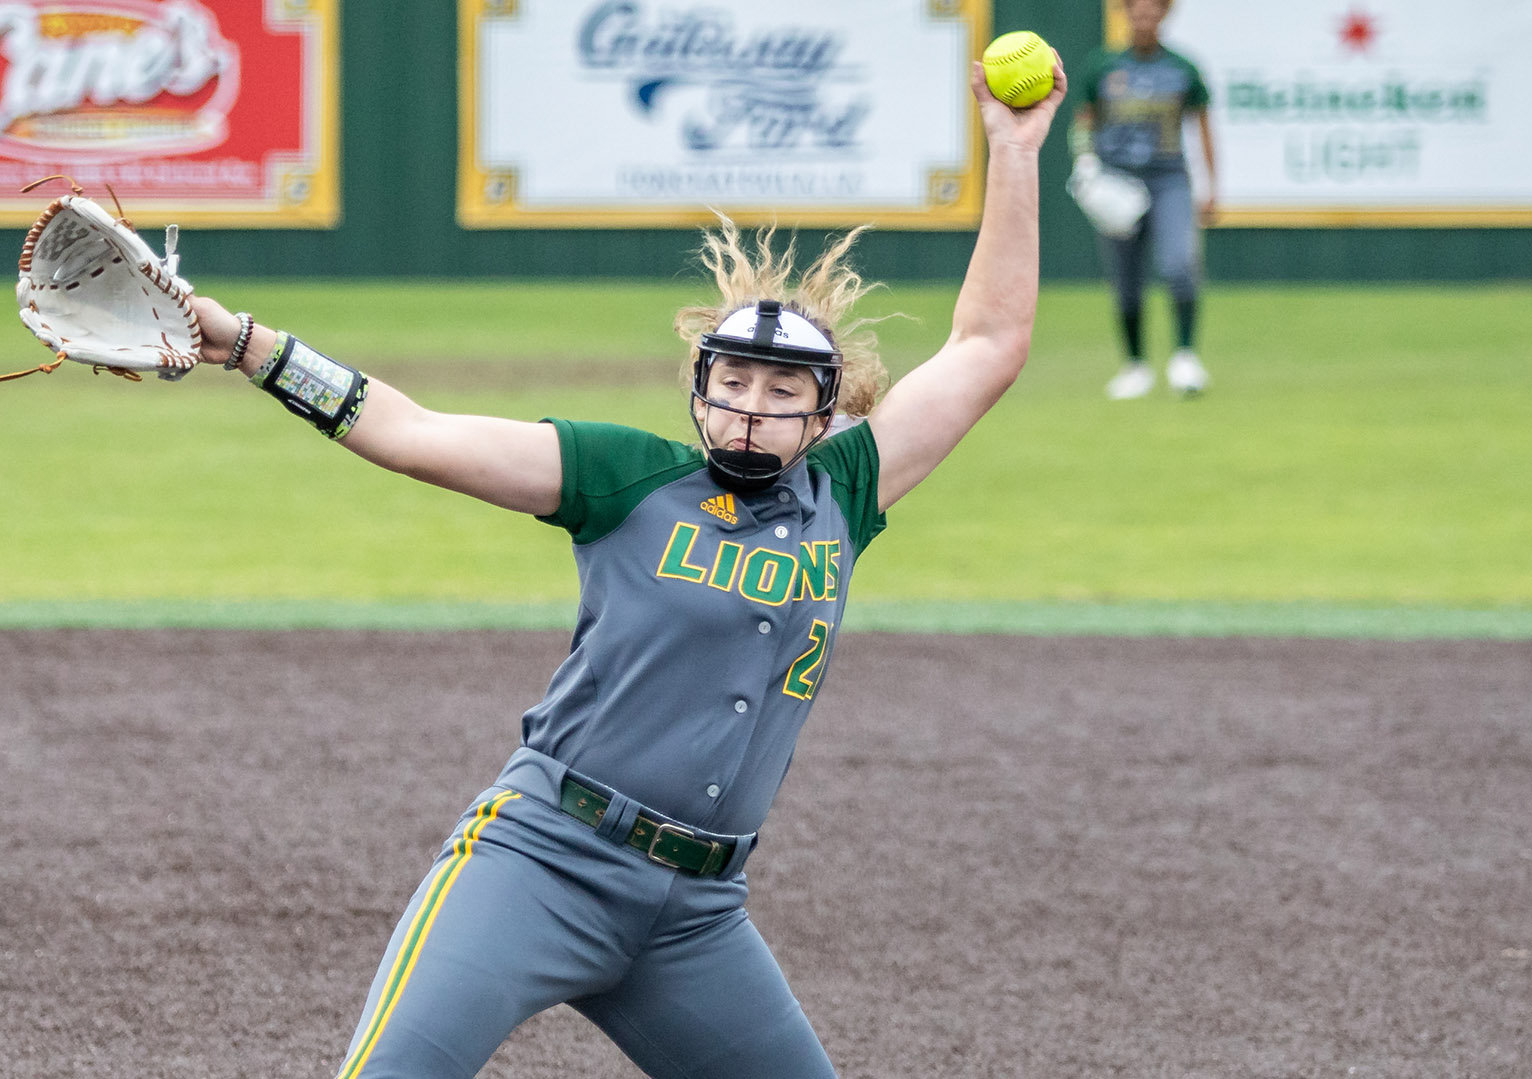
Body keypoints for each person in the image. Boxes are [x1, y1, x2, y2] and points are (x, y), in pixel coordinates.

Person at [182, 55, 1064, 1079]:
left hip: (696, 917)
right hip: (540, 862)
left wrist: (1013, 151)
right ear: (700, 386)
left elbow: (990, 342)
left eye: (782, 389)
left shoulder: (847, 491)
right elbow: (412, 432)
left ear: (826, 411)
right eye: (733, 379)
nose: (751, 405)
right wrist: (245, 345)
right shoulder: (625, 476)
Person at [1072, 0, 1217, 399]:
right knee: (1126, 278)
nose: (1144, 17)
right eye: (1137, 9)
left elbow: (1203, 126)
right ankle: (1135, 365)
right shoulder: (1103, 65)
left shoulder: (1182, 68)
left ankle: (1185, 357)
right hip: (1119, 181)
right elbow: (1084, 119)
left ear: (1164, 14)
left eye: (1152, 9)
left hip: (1169, 179)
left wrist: (1211, 187)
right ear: (1125, 12)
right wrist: (1085, 162)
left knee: (1180, 264)